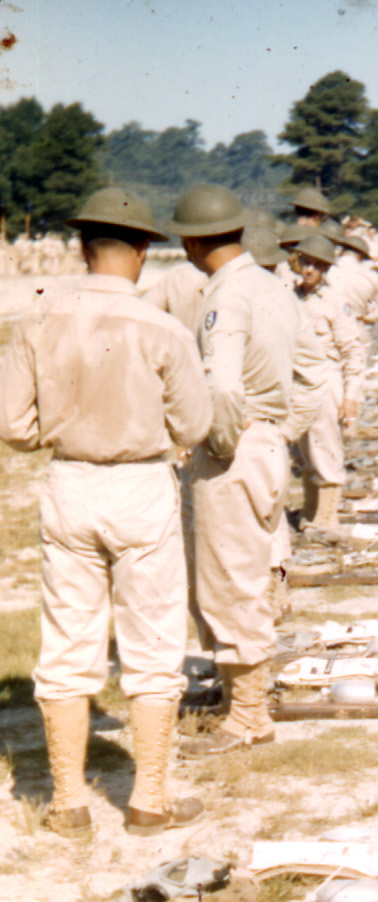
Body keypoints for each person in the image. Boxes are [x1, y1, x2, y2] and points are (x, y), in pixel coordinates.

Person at [0, 187, 212, 838]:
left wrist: (56, 429)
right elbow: (196, 422)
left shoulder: (38, 322)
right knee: (152, 645)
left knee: (67, 642)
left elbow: (12, 424)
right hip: (142, 482)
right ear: (145, 250)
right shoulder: (165, 329)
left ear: (81, 246)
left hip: (71, 480)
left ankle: (68, 803)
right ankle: (149, 798)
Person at [169, 184, 326, 756]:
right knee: (243, 573)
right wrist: (281, 431)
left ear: (191, 241)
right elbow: (314, 373)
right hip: (264, 442)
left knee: (228, 580)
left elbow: (222, 386)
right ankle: (240, 699)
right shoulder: (272, 287)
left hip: (232, 450)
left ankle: (249, 715)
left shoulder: (227, 296)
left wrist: (223, 439)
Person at [292, 232, 366, 532]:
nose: (309, 270)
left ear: (325, 270)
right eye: (305, 263)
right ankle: (311, 511)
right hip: (297, 381)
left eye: (316, 265)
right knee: (304, 450)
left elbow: (353, 351)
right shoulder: (290, 296)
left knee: (326, 448)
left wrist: (350, 397)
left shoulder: (336, 302)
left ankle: (327, 518)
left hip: (326, 380)